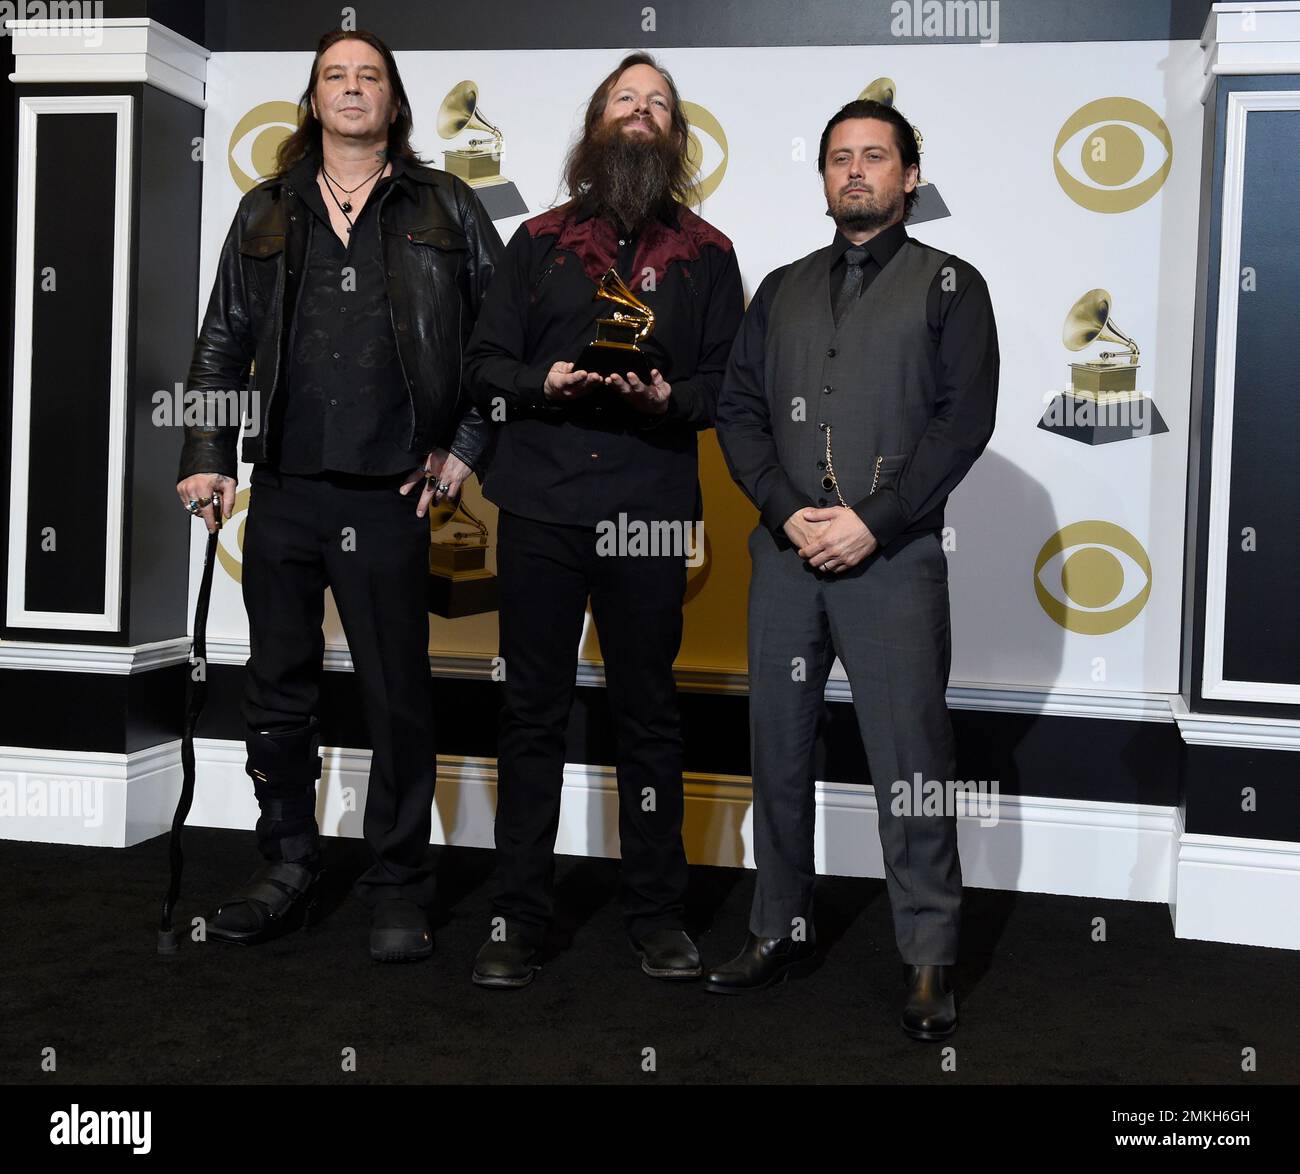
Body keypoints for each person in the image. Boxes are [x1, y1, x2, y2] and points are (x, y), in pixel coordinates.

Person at [175, 28, 502, 961]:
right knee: (276, 691)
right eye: (335, 76)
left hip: (388, 498)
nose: (352, 89)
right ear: (311, 99)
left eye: (370, 77)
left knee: (399, 698)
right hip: (282, 491)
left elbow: (495, 344)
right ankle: (286, 862)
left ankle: (399, 882)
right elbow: (219, 345)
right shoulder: (266, 209)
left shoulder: (446, 205)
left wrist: (463, 448)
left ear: (394, 101)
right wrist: (207, 452)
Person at [709, 99, 999, 1039]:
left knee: (912, 761)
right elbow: (739, 414)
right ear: (824, 176)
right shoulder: (780, 288)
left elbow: (962, 425)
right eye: (841, 158)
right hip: (786, 561)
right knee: (778, 754)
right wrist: (788, 513)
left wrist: (872, 523)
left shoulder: (954, 286)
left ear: (911, 176)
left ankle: (927, 956)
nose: (856, 172)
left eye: (876, 157)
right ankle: (777, 929)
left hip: (895, 563)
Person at [463, 53, 744, 988]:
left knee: (649, 715)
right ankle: (517, 911)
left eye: (658, 103)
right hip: (540, 504)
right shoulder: (535, 243)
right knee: (531, 713)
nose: (642, 111)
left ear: (676, 135)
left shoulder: (709, 253)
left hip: (650, 508)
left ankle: (658, 913)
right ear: (595, 124)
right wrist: (540, 380)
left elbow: (726, 389)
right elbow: (484, 361)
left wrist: (668, 397)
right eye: (626, 98)